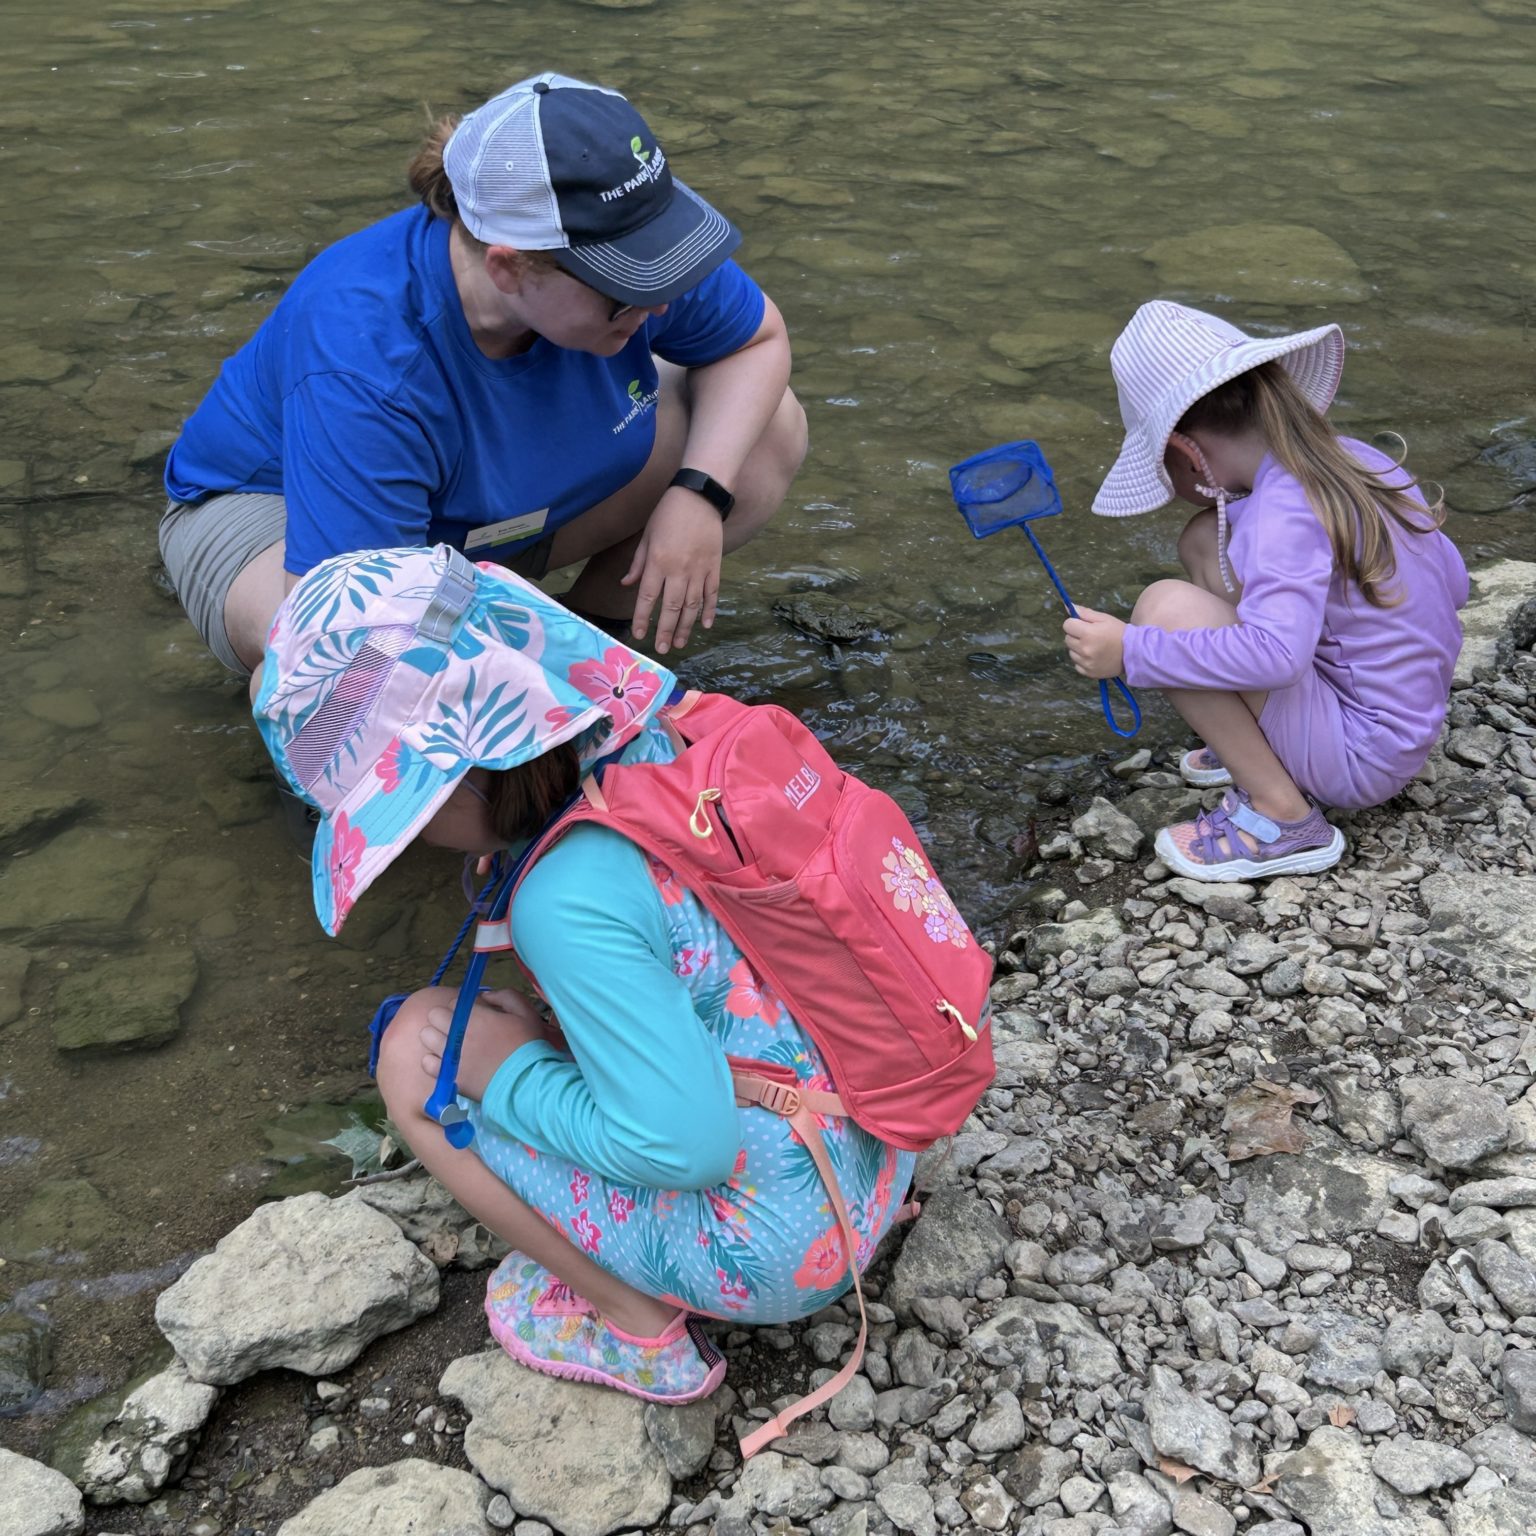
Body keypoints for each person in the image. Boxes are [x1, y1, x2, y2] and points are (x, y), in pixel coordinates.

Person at [254, 544, 920, 1409]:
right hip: (882, 1134)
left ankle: (640, 1328)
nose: (409, 842)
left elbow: (683, 1149)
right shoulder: (655, 741)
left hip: (782, 1247)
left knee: (411, 1063)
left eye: (400, 819)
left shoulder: (566, 894)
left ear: (449, 782)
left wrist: (511, 1073)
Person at [160, 71, 806, 674]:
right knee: (353, 667)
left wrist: (698, 495)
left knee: (766, 431)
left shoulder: (620, 241)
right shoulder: (366, 357)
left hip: (484, 512)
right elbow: (348, 636)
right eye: (628, 286)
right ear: (508, 268)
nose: (663, 301)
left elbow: (756, 342)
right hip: (279, 519)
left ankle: (590, 659)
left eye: (665, 265)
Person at [1062, 300, 1468, 881]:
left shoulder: (1282, 512)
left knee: (1163, 608)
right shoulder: (1354, 460)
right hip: (1405, 720)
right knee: (1208, 537)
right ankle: (1260, 740)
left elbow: (1278, 656)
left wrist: (1130, 650)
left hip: (1361, 756)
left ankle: (1283, 814)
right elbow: (1454, 583)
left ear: (1186, 451)